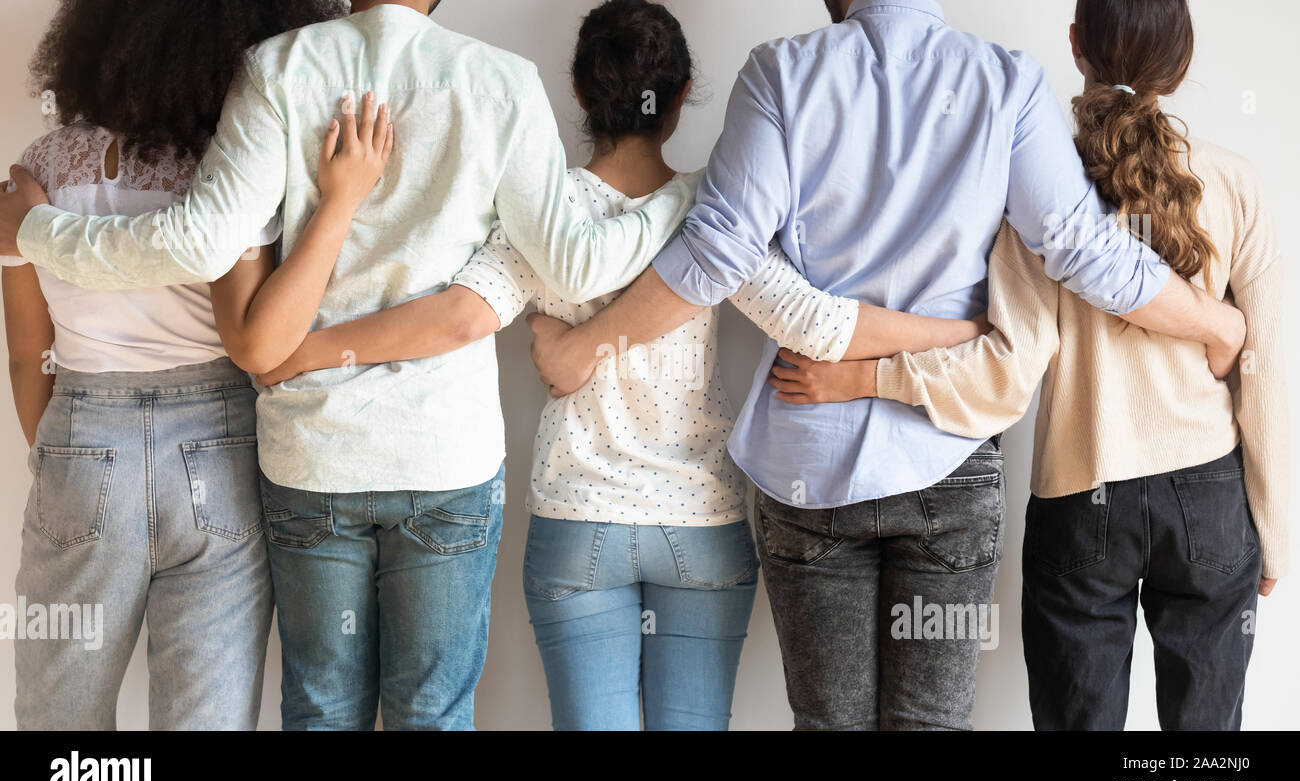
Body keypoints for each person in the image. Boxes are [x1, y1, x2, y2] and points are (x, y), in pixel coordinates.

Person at [259, 0, 987, 731]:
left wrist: (318, 348)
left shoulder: (543, 214)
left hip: (578, 522)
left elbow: (460, 315)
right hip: (700, 520)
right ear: (677, 102)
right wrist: (962, 329)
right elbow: (816, 322)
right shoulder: (715, 213)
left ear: (578, 95)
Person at [524, 0, 1248, 731]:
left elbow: (721, 250)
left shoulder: (781, 72)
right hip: (950, 464)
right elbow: (1086, 251)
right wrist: (1213, 319)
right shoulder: (1005, 84)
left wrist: (587, 343)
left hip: (808, 459)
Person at [0, 0, 701, 731]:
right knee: (427, 713)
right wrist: (683, 193)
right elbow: (575, 261)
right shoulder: (501, 81)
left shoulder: (276, 69)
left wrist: (37, 232)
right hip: (441, 460)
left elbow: (199, 249)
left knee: (321, 709)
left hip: (313, 452)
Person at [779, 0, 1287, 731]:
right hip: (1210, 502)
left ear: (1075, 44)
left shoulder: (1041, 188)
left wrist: (871, 377)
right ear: (1183, 58)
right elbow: (1265, 372)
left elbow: (1005, 371)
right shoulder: (1235, 184)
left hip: (1084, 504)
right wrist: (1273, 531)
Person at [0, 0, 382, 729]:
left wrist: (63, 456)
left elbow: (25, 355)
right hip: (220, 449)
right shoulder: (230, 172)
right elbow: (254, 325)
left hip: (83, 440)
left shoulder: (38, 172)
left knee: (60, 716)